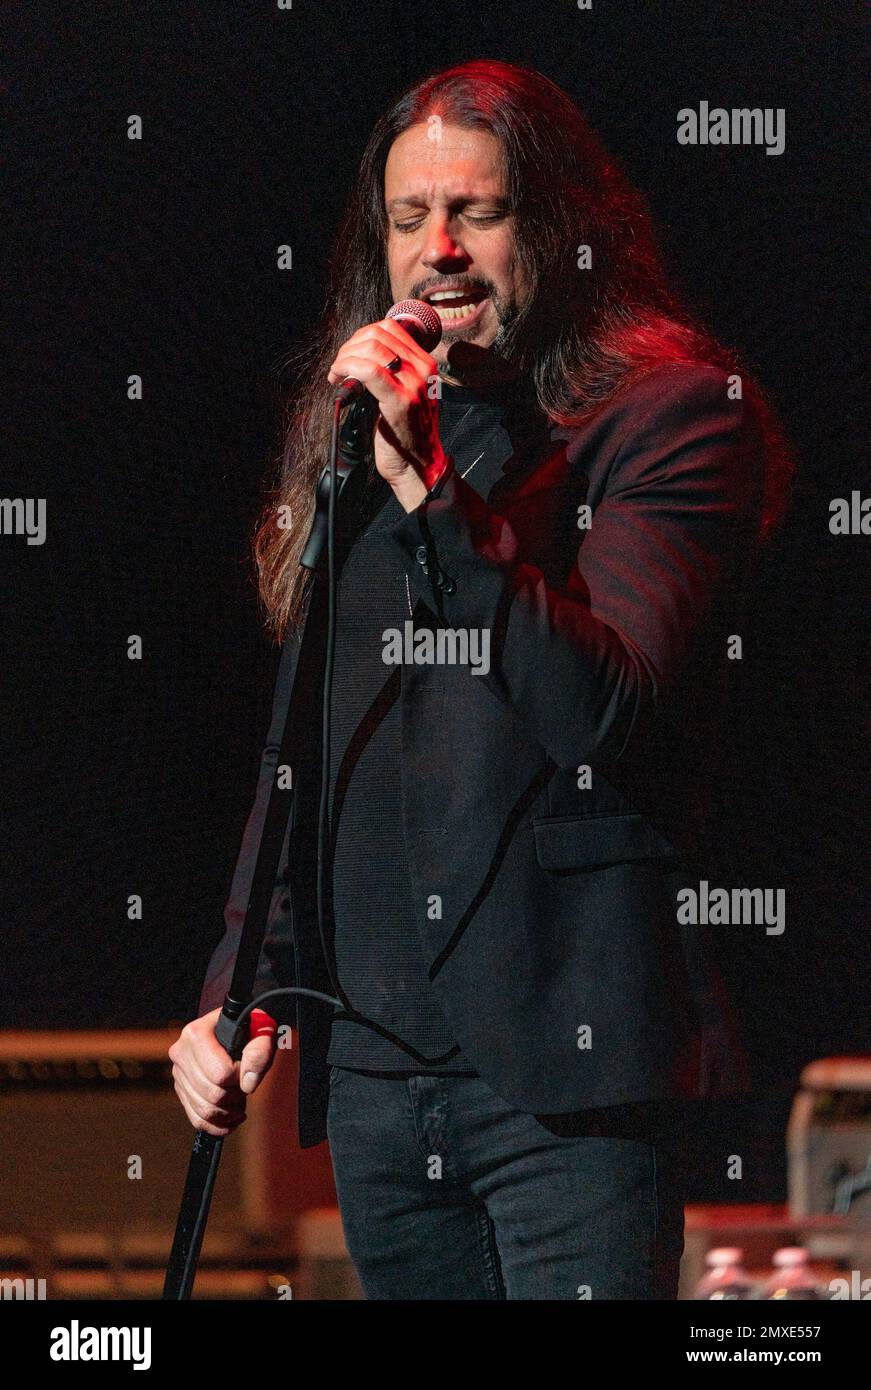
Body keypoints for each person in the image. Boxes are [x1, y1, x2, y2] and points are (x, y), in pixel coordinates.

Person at [169, 60, 791, 1299]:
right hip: (383, 1084)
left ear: (555, 231)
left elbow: (601, 708)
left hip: (563, 1082)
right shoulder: (361, 445)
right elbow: (307, 759)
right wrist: (231, 999)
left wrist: (437, 504)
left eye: (478, 214)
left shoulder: (663, 420)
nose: (438, 250)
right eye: (408, 222)